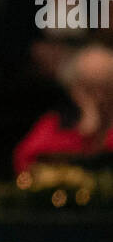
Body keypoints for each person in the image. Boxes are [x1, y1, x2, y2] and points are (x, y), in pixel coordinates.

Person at [13, 43, 113, 173]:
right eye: (89, 88)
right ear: (74, 88)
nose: (98, 96)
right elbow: (24, 160)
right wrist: (85, 132)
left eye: (104, 86)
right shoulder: (56, 122)